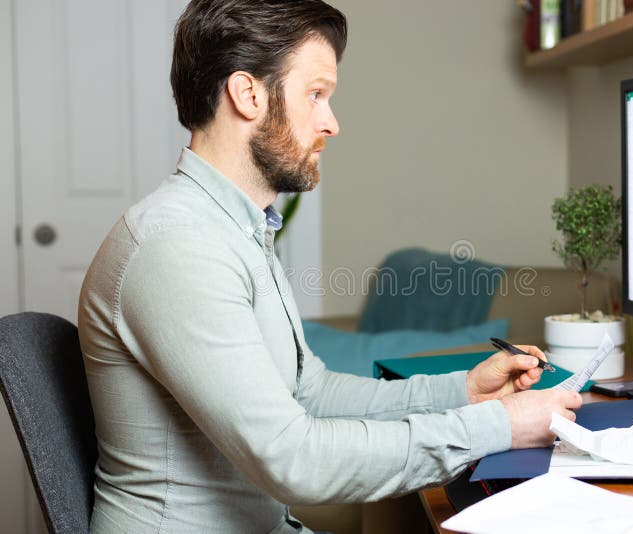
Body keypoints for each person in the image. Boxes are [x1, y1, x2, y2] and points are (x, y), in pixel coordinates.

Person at [77, 1, 582, 532]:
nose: (332, 123)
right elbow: (295, 460)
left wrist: (463, 392)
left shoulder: (235, 230)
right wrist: (496, 427)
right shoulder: (176, 245)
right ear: (248, 94)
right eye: (315, 95)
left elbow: (308, 393)